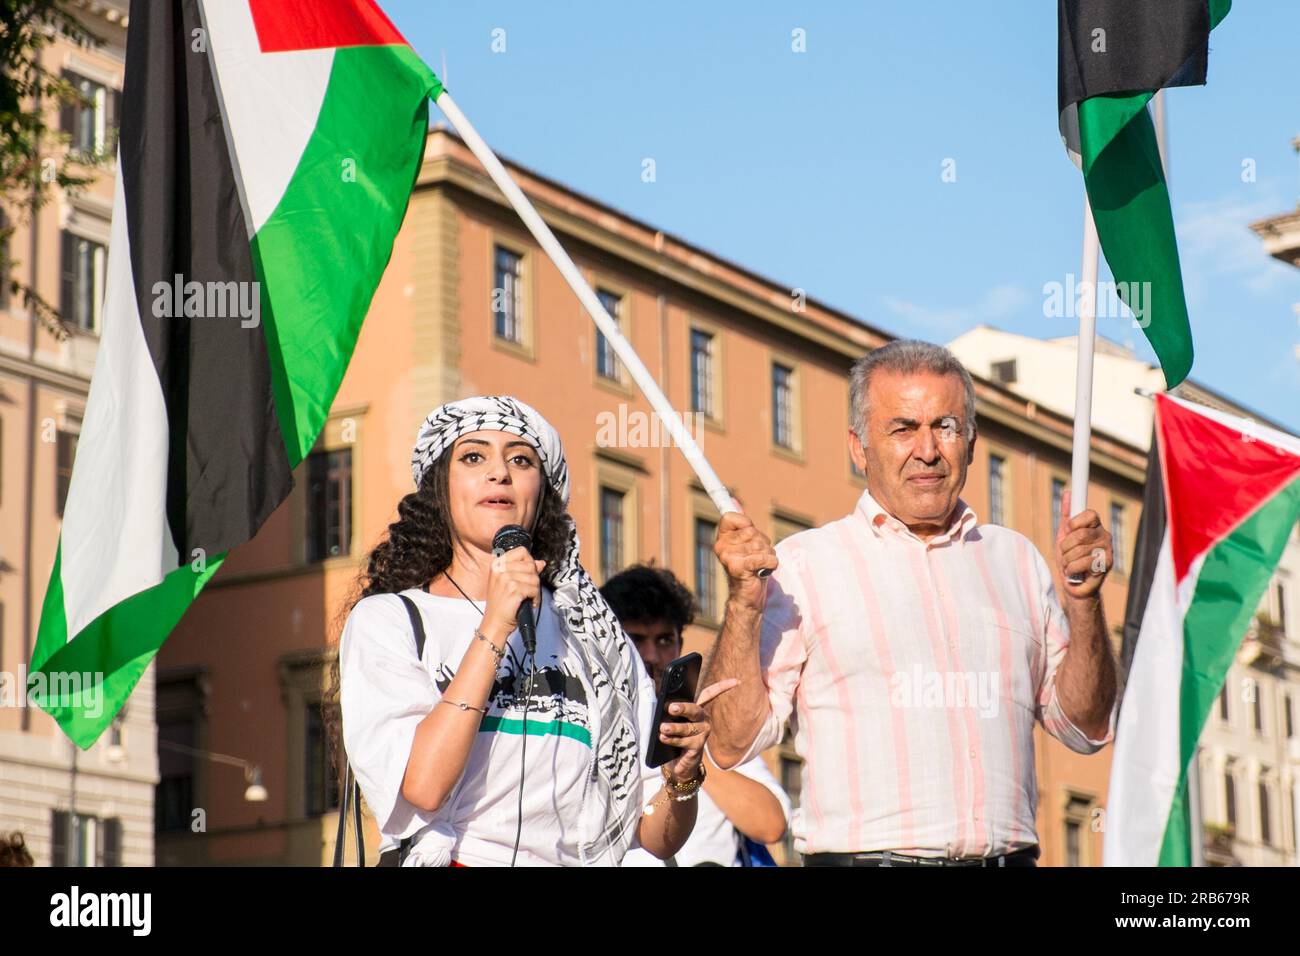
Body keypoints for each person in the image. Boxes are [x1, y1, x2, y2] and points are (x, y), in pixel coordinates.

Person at [704, 340, 1118, 867]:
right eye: (902, 428)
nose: (928, 450)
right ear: (859, 448)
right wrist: (743, 603)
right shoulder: (805, 564)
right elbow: (730, 741)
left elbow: (1083, 727)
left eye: (945, 426)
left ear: (970, 442)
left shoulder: (1018, 562)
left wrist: (1085, 603)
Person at [332, 396, 730, 866]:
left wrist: (682, 778)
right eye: (474, 457)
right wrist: (497, 622)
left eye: (520, 460)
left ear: (542, 492)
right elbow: (424, 786)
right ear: (442, 487)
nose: (499, 473)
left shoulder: (597, 639)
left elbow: (653, 833)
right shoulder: (390, 620)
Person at [601, 565, 790, 867]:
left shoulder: (707, 723)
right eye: (636, 639)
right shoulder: (589, 722)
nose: (651, 656)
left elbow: (771, 824)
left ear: (680, 644)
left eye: (664, 640)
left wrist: (690, 756)